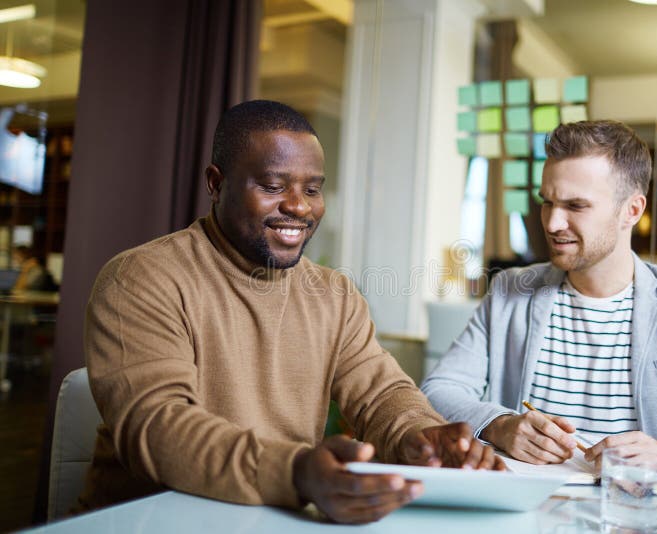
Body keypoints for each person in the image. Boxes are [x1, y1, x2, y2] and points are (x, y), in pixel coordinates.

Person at [79, 100, 503, 524]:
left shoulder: (334, 294)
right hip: (150, 521)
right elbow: (157, 427)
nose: (299, 207)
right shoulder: (141, 278)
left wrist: (420, 436)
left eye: (313, 189)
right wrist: (296, 472)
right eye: (273, 186)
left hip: (275, 518)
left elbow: (382, 394)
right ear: (216, 184)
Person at [422, 120, 657, 489]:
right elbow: (437, 391)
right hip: (522, 511)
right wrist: (500, 425)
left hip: (644, 518)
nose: (552, 222)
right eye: (547, 202)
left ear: (632, 210)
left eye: (576, 205)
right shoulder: (509, 291)